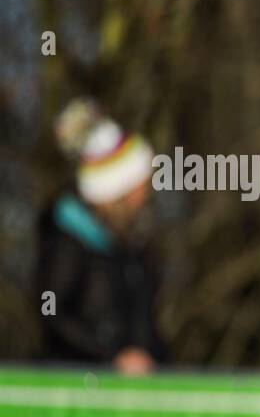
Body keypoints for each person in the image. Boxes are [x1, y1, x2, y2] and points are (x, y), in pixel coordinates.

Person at [36, 98, 166, 374]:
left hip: (128, 387)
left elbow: (145, 323)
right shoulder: (68, 238)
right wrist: (111, 357)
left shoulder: (134, 244)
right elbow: (52, 314)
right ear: (119, 190)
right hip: (77, 386)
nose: (147, 193)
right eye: (140, 184)